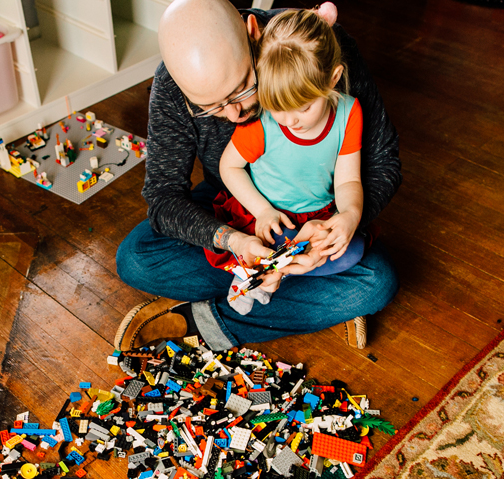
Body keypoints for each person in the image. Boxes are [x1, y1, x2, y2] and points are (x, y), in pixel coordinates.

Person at [114, 0, 400, 352]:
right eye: (210, 107)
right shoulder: (173, 86)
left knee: (377, 282)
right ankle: (306, 296)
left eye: (242, 89)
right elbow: (162, 199)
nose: (233, 114)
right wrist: (232, 240)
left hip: (316, 210)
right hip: (233, 201)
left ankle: (204, 321)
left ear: (253, 32)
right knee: (136, 258)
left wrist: (336, 226)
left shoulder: (315, 50)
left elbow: (383, 163)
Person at [209, 9, 367, 315]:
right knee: (261, 248)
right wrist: (263, 211)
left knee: (352, 252)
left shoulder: (349, 113)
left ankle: (275, 276)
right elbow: (229, 167)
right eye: (277, 106)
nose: (290, 119)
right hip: (267, 219)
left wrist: (349, 215)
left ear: (332, 78)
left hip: (315, 218)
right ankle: (273, 275)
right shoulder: (263, 121)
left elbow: (348, 180)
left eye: (304, 107)